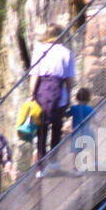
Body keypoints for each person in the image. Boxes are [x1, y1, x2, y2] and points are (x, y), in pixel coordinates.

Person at [30, 25, 75, 171]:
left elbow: (35, 76)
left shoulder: (39, 51)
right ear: (60, 35)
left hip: (41, 92)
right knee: (56, 127)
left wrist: (32, 94)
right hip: (59, 94)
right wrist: (67, 95)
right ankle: (54, 161)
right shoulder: (67, 53)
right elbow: (69, 80)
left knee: (41, 129)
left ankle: (40, 166)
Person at [69, 86, 95, 164]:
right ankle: (93, 161)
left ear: (77, 98)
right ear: (88, 98)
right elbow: (95, 120)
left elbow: (67, 114)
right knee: (91, 146)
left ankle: (75, 168)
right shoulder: (89, 109)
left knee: (76, 151)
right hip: (87, 131)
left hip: (76, 132)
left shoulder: (73, 108)